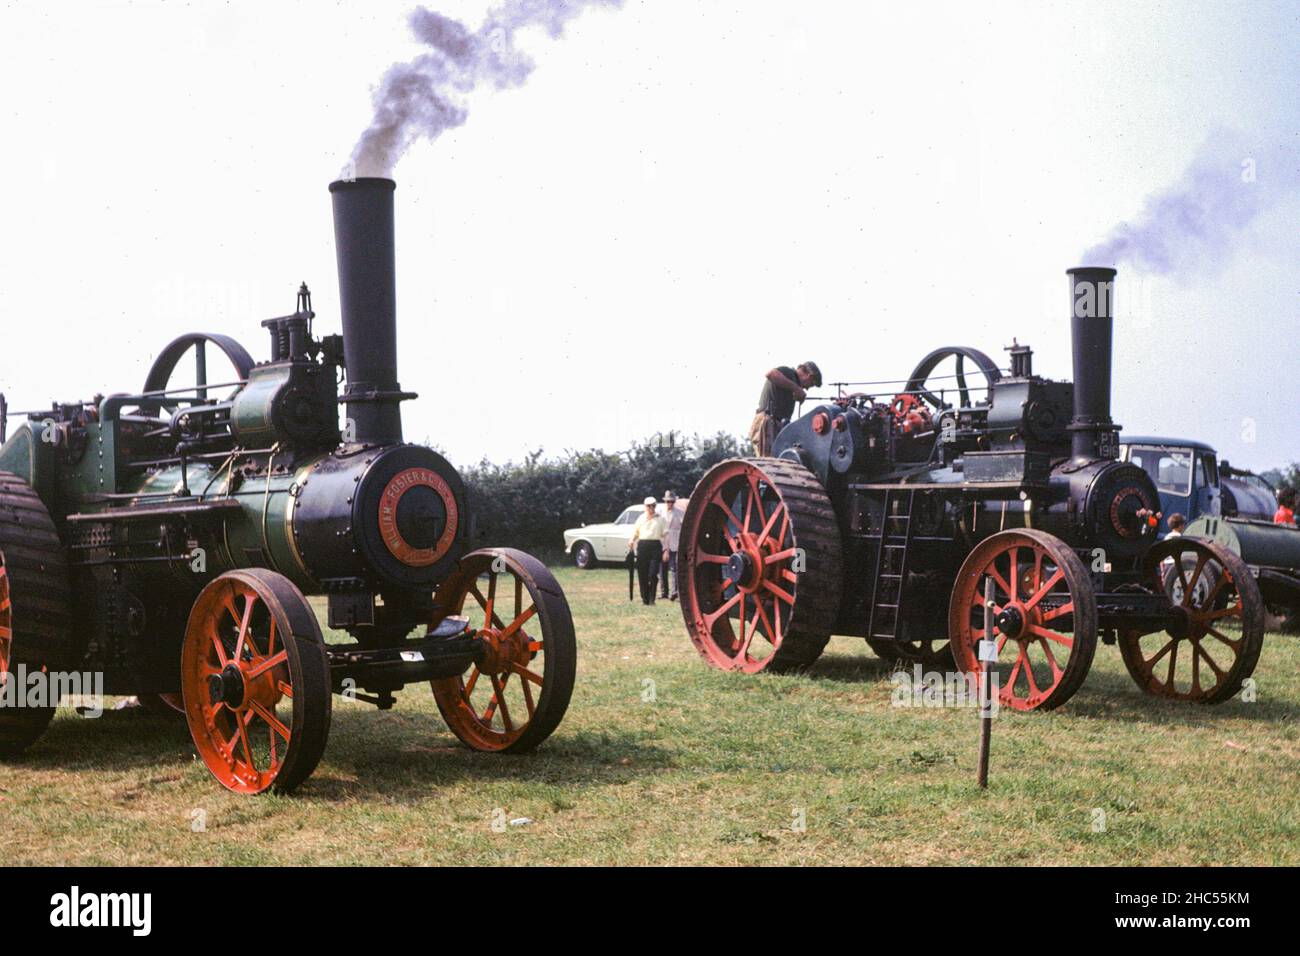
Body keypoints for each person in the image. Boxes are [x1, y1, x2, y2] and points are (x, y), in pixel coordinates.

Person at [749, 361, 822, 457]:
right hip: (768, 422)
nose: (807, 389)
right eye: (810, 384)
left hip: (775, 424)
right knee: (768, 462)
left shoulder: (791, 380)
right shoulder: (789, 373)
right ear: (809, 376)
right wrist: (796, 388)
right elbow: (770, 374)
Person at [628, 496, 668, 605]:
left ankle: (652, 598)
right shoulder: (641, 518)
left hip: (655, 546)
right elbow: (635, 532)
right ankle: (644, 599)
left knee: (653, 573)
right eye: (649, 506)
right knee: (642, 574)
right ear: (645, 507)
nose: (651, 508)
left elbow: (665, 536)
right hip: (643, 546)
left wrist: (666, 550)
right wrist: (631, 540)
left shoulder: (661, 519)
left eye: (653, 505)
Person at [660, 490, 684, 601]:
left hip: (675, 543)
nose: (670, 504)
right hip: (663, 542)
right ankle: (664, 592)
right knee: (662, 569)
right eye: (668, 502)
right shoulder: (660, 512)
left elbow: (683, 527)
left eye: (672, 502)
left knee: (675, 568)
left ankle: (675, 592)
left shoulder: (679, 512)